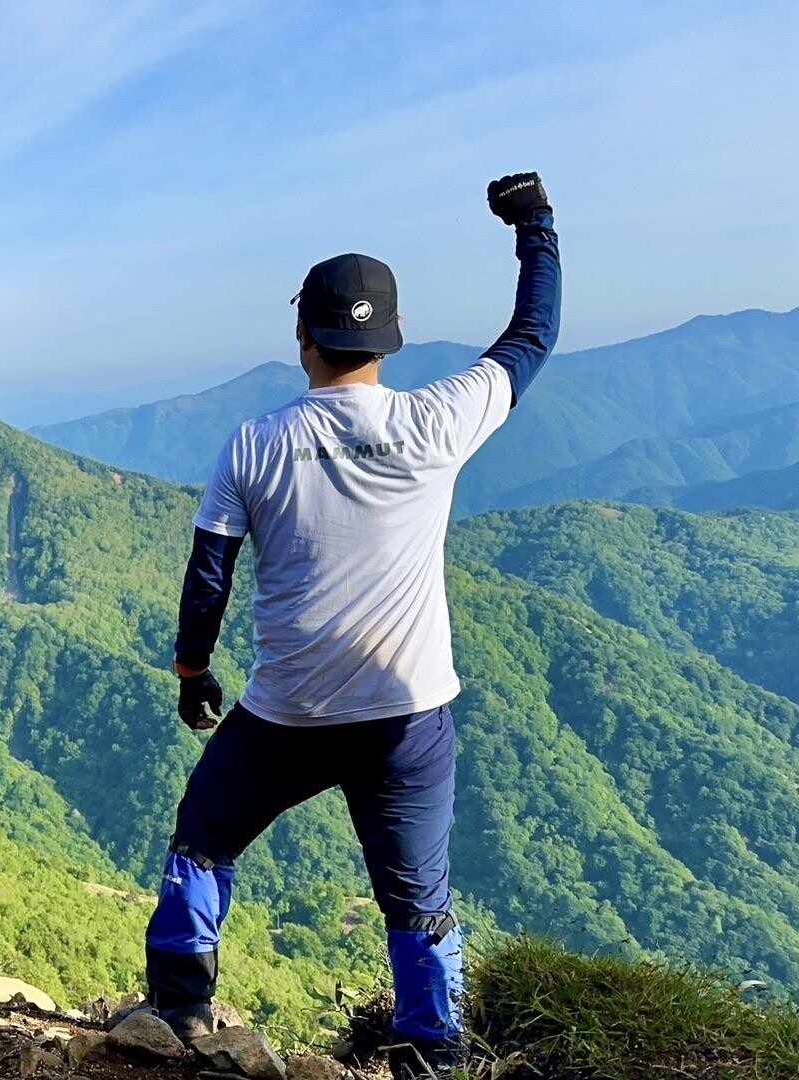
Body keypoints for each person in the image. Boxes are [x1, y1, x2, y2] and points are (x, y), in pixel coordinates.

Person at [145, 173, 560, 1076]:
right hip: (407, 716)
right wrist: (536, 227)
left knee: (205, 836)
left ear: (303, 336)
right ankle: (428, 1050)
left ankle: (177, 1007)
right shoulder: (438, 421)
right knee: (416, 899)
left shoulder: (253, 444)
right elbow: (532, 338)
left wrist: (192, 670)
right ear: (390, 339)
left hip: (286, 715)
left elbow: (208, 571)